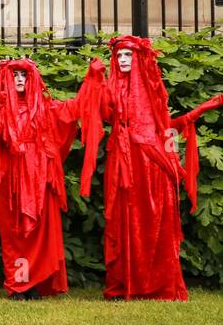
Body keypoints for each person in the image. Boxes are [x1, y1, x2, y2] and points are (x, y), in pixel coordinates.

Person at [79, 35, 223, 301]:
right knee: (124, 221)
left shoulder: (151, 88)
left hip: (150, 163)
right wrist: (95, 80)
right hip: (123, 161)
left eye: (128, 55)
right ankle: (126, 283)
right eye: (119, 55)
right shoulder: (111, 86)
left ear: (139, 59)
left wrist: (197, 112)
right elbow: (101, 113)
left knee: (151, 221)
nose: (122, 60)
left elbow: (164, 125)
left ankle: (154, 284)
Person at [0, 59, 83, 299]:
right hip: (11, 179)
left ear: (33, 79)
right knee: (14, 232)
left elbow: (73, 112)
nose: (19, 79)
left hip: (41, 177)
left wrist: (92, 82)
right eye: (15, 75)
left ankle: (36, 283)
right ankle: (19, 284)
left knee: (39, 231)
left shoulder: (46, 107)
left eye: (24, 75)